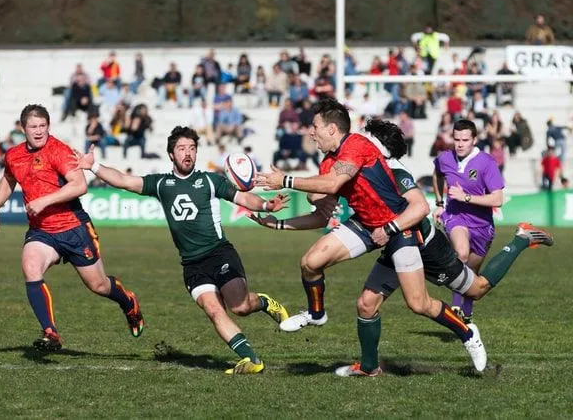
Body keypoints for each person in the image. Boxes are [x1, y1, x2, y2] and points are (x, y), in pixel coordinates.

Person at [250, 119, 553, 376]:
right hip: (391, 241)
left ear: (379, 148)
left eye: (369, 139)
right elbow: (322, 205)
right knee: (366, 304)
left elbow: (417, 209)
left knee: (474, 290)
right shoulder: (354, 165)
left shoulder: (396, 171)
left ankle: (518, 242)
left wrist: (386, 226)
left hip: (422, 243)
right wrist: (280, 221)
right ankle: (368, 368)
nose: (362, 141)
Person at [74, 126, 290, 375]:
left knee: (240, 307)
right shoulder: (162, 184)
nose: (188, 153)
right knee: (214, 310)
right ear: (171, 155)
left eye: (192, 148)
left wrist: (265, 204)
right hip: (192, 265)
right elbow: (125, 181)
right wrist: (94, 166)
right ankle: (252, 360)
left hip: (219, 253)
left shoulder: (211, 181)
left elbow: (243, 199)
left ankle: (264, 303)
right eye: (181, 149)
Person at [0, 104, 144, 352]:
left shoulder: (59, 150)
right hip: (42, 231)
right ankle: (50, 332)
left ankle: (128, 302)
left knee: (98, 285)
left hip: (73, 228)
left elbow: (79, 185)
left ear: (49, 126)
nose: (38, 131)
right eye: (33, 127)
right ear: (23, 129)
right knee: (30, 266)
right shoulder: (13, 155)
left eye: (43, 126)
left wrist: (44, 200)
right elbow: (8, 179)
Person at [433, 119, 505, 323]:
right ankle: (455, 307)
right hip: (455, 216)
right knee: (461, 254)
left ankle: (467, 311)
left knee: (472, 272)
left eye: (465, 139)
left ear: (474, 140)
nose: (460, 144)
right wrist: (439, 203)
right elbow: (437, 174)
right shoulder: (445, 158)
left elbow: (498, 199)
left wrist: (466, 197)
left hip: (482, 225)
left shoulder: (486, 162)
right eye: (457, 139)